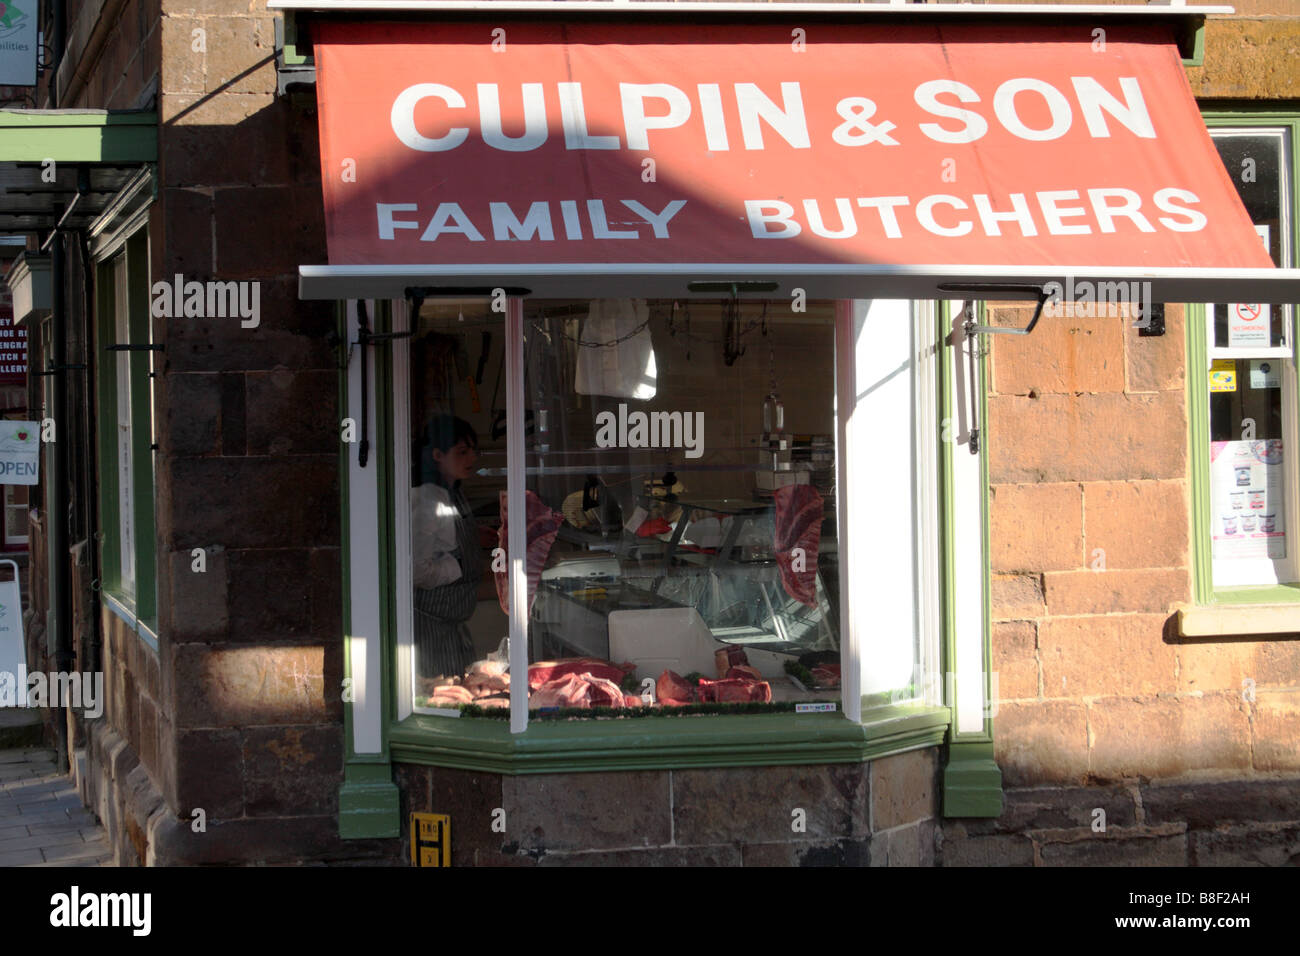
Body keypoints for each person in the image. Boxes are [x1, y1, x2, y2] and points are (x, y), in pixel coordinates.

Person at [411, 414, 484, 680]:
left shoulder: (453, 493)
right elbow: (417, 571)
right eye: (462, 452)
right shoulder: (426, 500)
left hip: (452, 628)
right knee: (441, 696)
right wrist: (459, 566)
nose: (471, 459)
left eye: (473, 451)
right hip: (431, 629)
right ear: (437, 455)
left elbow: (447, 539)